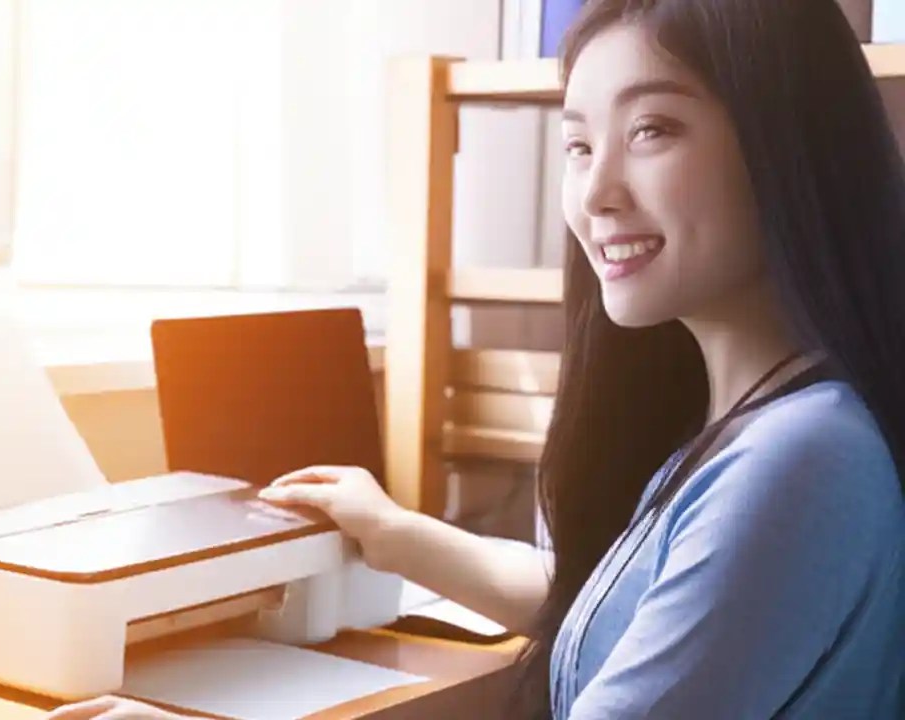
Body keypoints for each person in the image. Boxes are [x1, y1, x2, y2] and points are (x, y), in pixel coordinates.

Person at [48, 0, 905, 717]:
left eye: (651, 129)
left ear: (786, 143)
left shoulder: (799, 462)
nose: (597, 192)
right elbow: (607, 601)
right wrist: (396, 534)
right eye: (578, 144)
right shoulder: (753, 425)